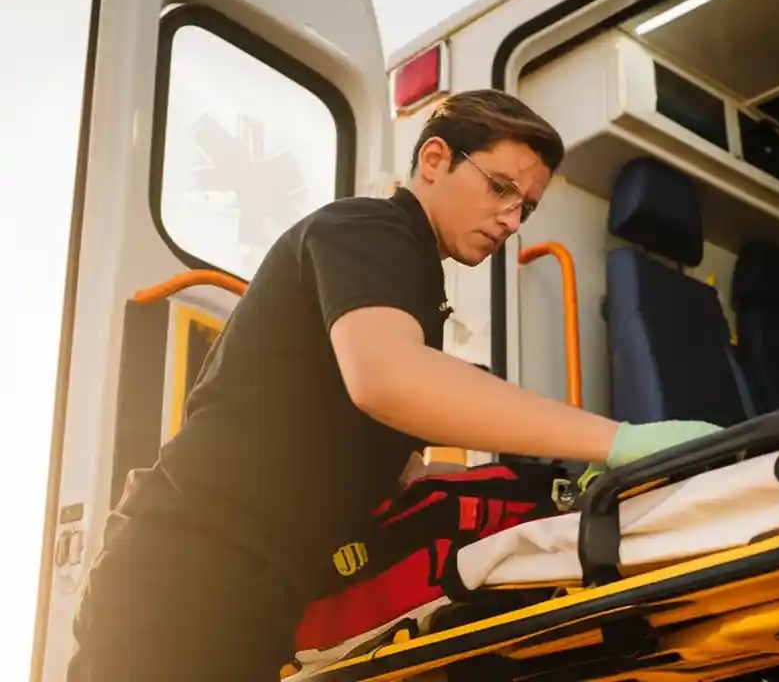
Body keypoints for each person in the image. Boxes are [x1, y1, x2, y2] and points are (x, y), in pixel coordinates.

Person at [66, 89, 721, 681]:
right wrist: (615, 440)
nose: (512, 219)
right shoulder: (366, 230)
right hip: (185, 574)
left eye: (525, 207)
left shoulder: (411, 287)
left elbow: (395, 461)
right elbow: (390, 382)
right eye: (499, 188)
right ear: (434, 159)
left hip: (257, 586)